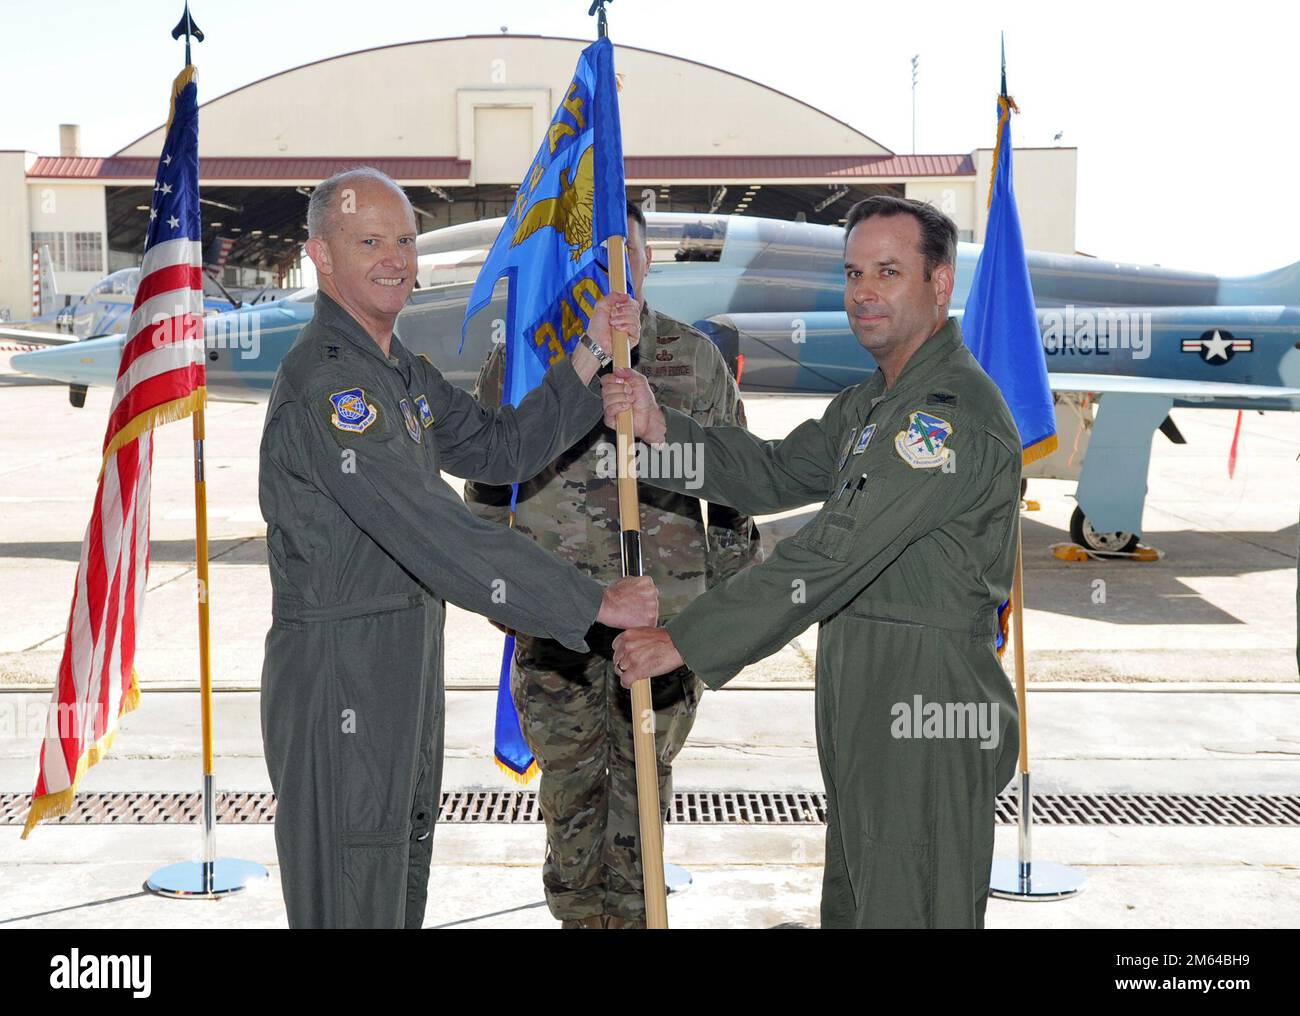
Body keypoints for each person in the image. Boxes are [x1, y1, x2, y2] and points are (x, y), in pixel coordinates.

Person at [603, 195, 1022, 928]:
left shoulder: (944, 415)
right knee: (861, 899)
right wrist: (660, 428)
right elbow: (769, 472)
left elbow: (832, 552)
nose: (863, 291)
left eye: (889, 271)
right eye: (854, 272)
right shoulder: (871, 404)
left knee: (911, 901)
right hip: (866, 679)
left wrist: (685, 641)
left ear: (940, 283)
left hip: (925, 692)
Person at [259, 167, 656, 928]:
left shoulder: (397, 370)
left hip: (402, 660)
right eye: (368, 240)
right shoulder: (330, 387)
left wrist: (587, 356)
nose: (394, 258)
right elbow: (437, 529)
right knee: (352, 886)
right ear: (321, 255)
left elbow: (499, 448)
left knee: (392, 870)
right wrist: (590, 602)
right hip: (344, 672)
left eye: (404, 240)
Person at [465, 201, 762, 929]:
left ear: (649, 257)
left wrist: (719, 627)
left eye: (623, 252)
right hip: (559, 633)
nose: (610, 271)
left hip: (660, 637)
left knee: (641, 818)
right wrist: (506, 599)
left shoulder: (691, 360)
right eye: (594, 257)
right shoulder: (527, 361)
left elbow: (735, 497)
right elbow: (481, 495)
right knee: (571, 816)